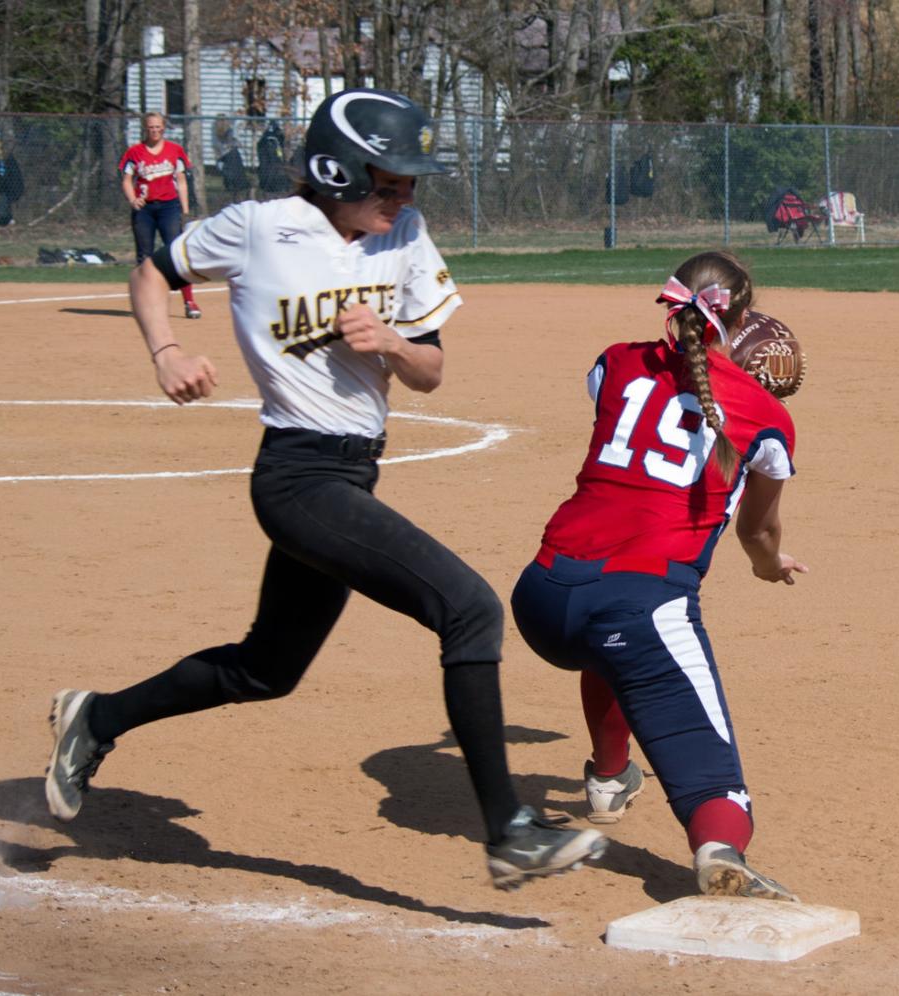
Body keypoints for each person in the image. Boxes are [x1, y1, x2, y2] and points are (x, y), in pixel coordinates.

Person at [46, 88, 606, 891]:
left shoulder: (405, 237)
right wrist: (165, 351)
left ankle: (94, 716)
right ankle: (508, 830)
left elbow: (432, 373)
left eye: (410, 182)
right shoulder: (259, 227)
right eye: (389, 181)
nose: (405, 195)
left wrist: (392, 344)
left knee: (267, 669)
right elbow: (149, 273)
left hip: (354, 472)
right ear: (335, 169)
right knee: (470, 608)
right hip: (297, 475)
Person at [510, 250, 809, 900]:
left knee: (612, 645)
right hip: (639, 600)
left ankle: (610, 777)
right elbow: (756, 532)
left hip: (542, 593)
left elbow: (645, 391)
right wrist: (769, 566)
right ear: (742, 314)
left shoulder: (615, 362)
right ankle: (719, 847)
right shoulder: (767, 417)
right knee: (706, 757)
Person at [119, 112, 203, 320]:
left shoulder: (175, 150)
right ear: (145, 129)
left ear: (163, 128)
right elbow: (127, 179)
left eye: (158, 127)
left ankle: (189, 301)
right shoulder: (135, 152)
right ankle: (145, 304)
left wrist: (184, 210)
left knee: (177, 254)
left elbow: (181, 181)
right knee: (144, 257)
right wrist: (132, 200)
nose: (155, 131)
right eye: (151, 127)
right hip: (145, 209)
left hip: (169, 207)